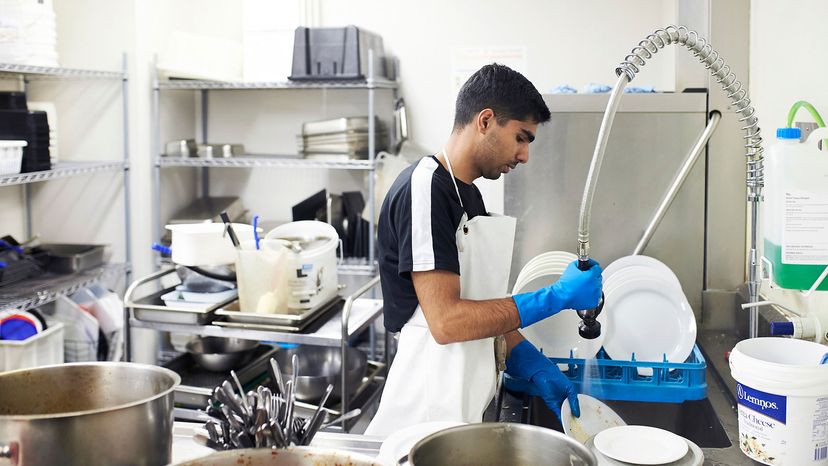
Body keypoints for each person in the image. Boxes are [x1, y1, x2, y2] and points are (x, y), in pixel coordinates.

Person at [365, 63, 603, 436]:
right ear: (486, 120)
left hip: (464, 406)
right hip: (426, 414)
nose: (524, 156)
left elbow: (480, 304)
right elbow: (446, 321)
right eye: (521, 138)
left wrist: (529, 359)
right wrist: (557, 297)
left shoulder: (468, 195)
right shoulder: (425, 188)